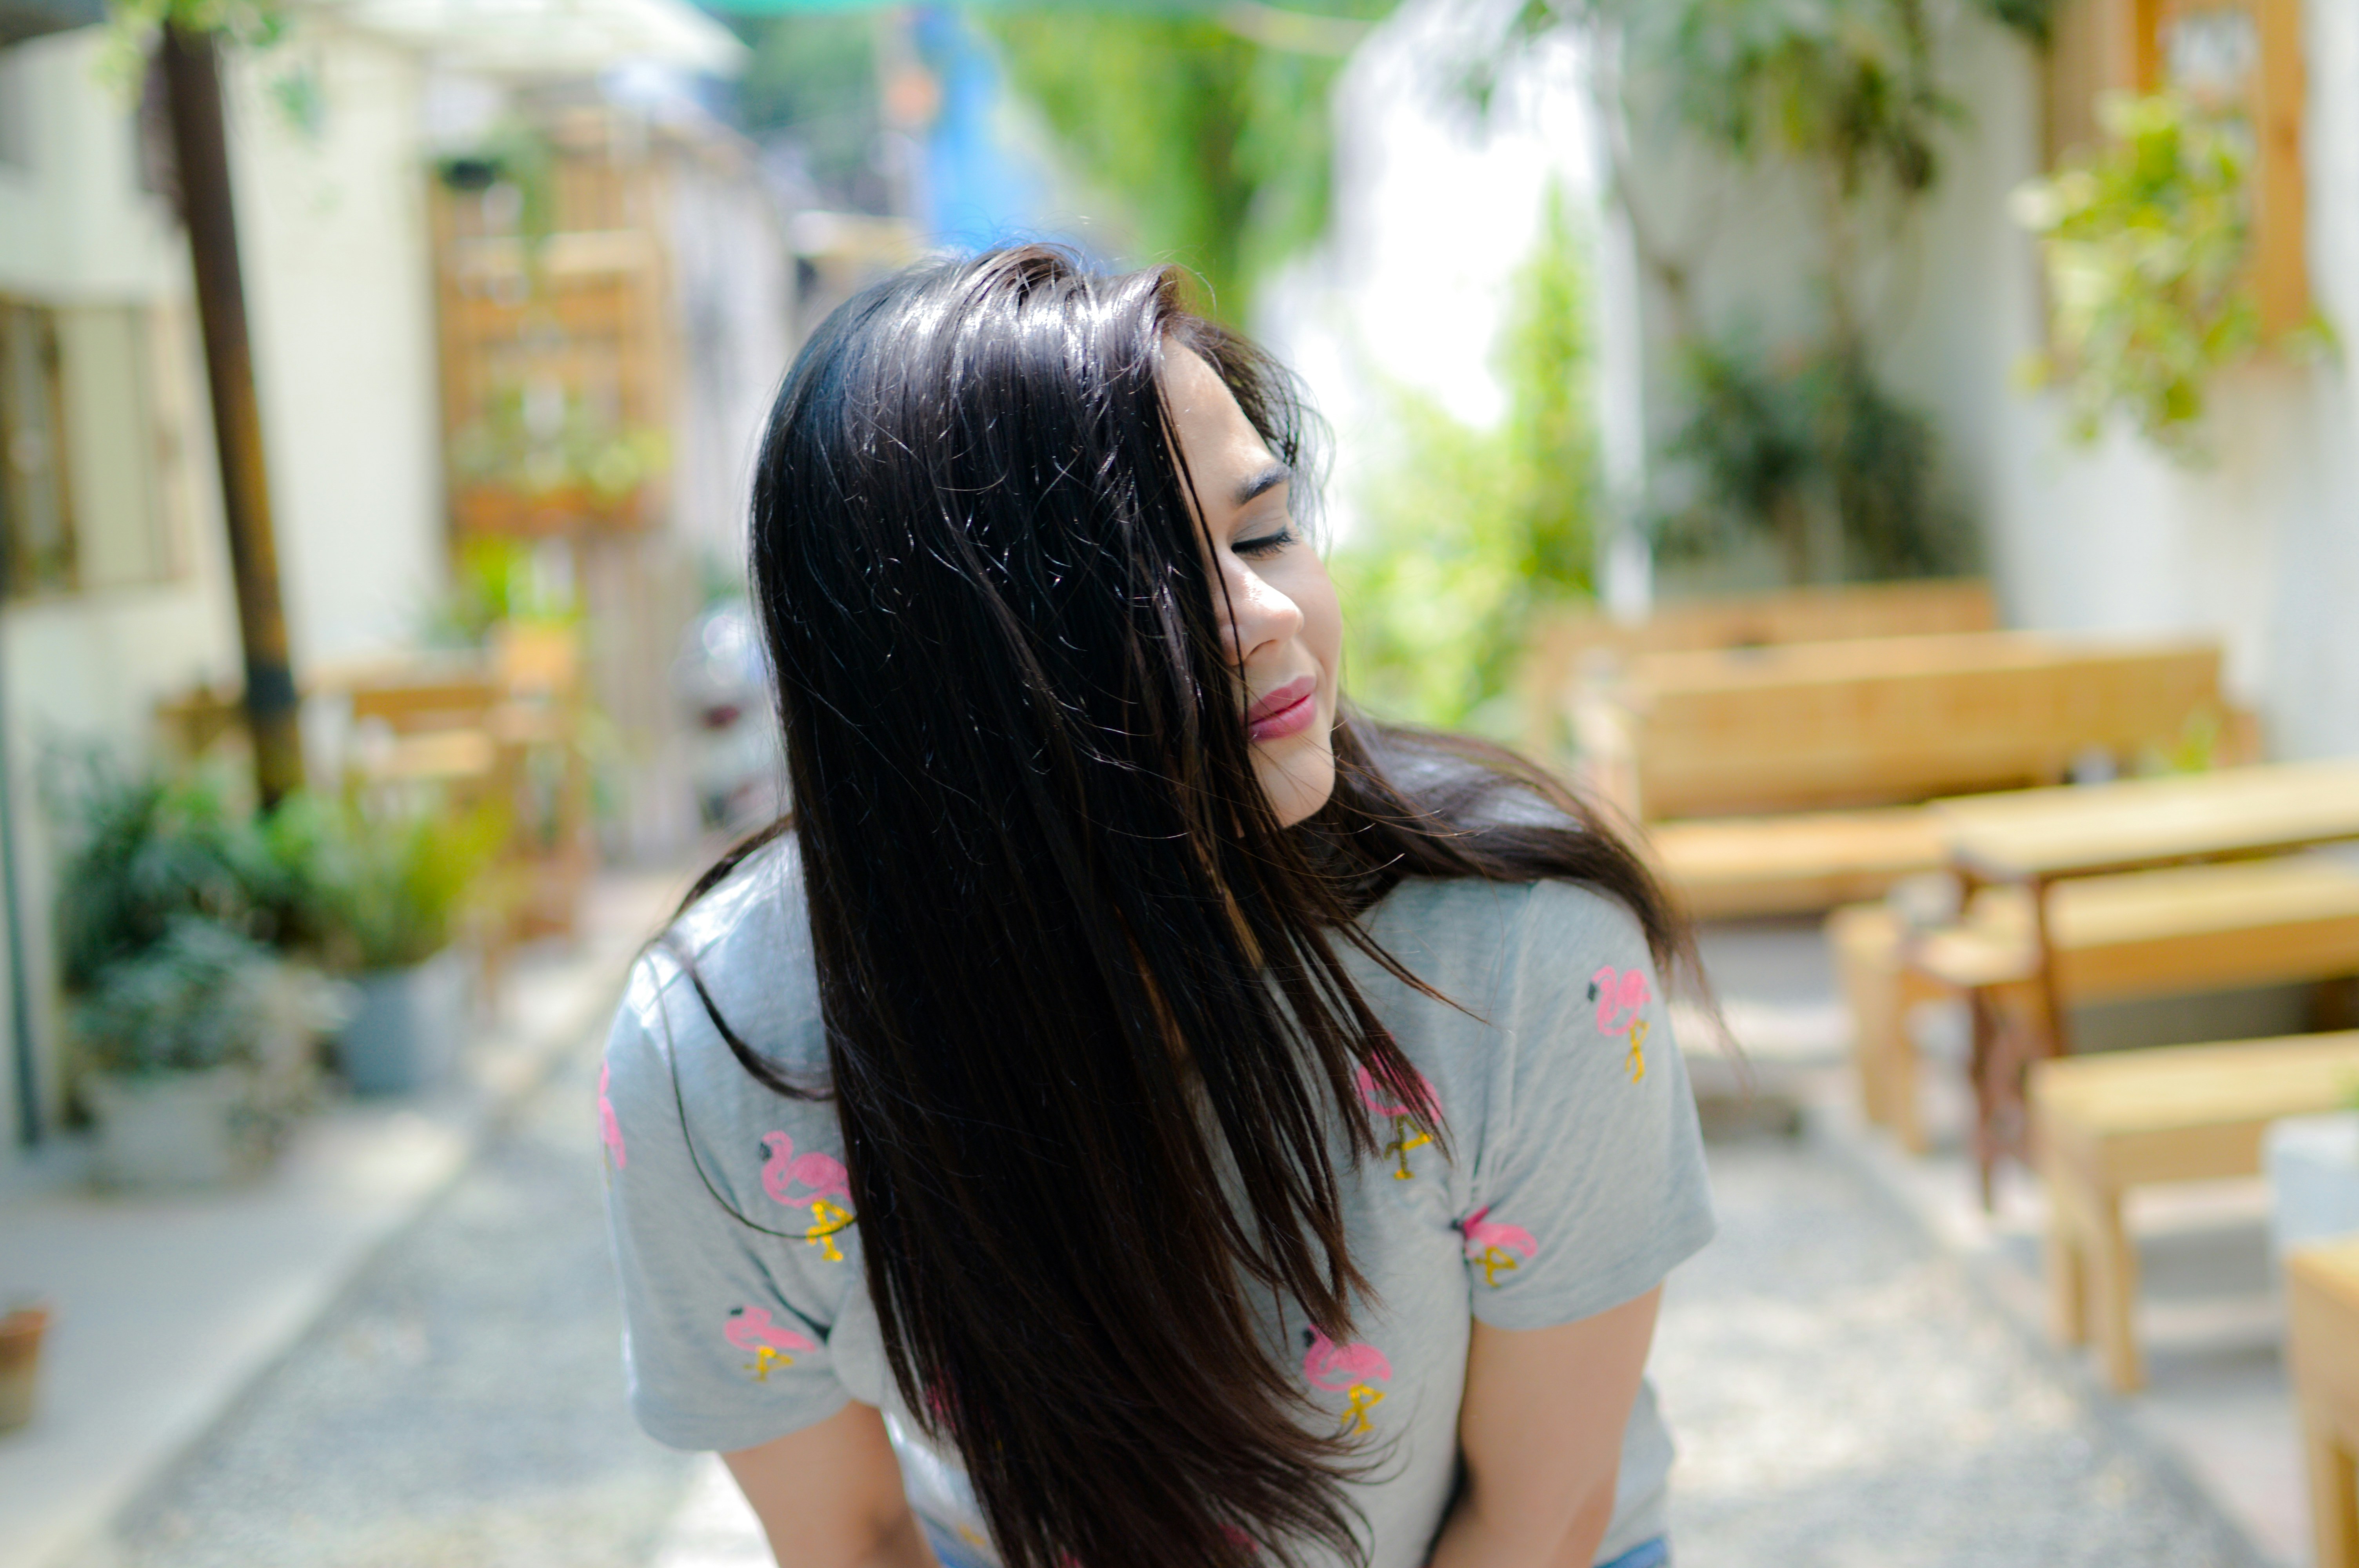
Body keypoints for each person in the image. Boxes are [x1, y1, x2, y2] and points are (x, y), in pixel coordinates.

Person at [600, 246, 1715, 1568]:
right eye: (1143, 587)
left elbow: (1542, 1512)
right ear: (940, 693)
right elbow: (852, 1538)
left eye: (1263, 531)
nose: (1262, 615)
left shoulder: (1524, 959)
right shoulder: (715, 1059)